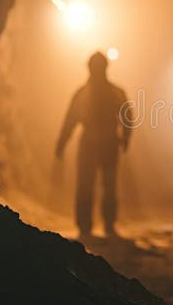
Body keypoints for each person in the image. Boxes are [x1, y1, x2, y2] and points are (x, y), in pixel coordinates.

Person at [56, 51, 130, 240]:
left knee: (92, 184)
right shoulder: (114, 92)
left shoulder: (85, 92)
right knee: (102, 184)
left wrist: (62, 143)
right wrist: (125, 139)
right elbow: (127, 117)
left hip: (96, 141)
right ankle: (101, 224)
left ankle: (89, 224)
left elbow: (70, 120)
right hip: (104, 142)